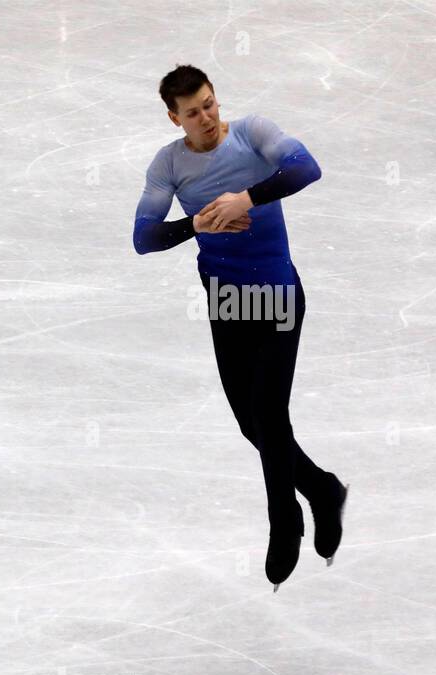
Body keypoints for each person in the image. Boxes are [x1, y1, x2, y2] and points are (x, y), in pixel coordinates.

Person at [132, 65, 347, 591]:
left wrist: (245, 198)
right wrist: (197, 224)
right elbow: (144, 237)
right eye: (192, 112)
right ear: (173, 117)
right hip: (227, 302)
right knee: (252, 424)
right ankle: (320, 488)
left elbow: (306, 169)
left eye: (209, 104)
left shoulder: (253, 133)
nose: (205, 117)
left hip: (277, 295)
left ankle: (285, 523)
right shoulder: (169, 165)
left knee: (270, 418)